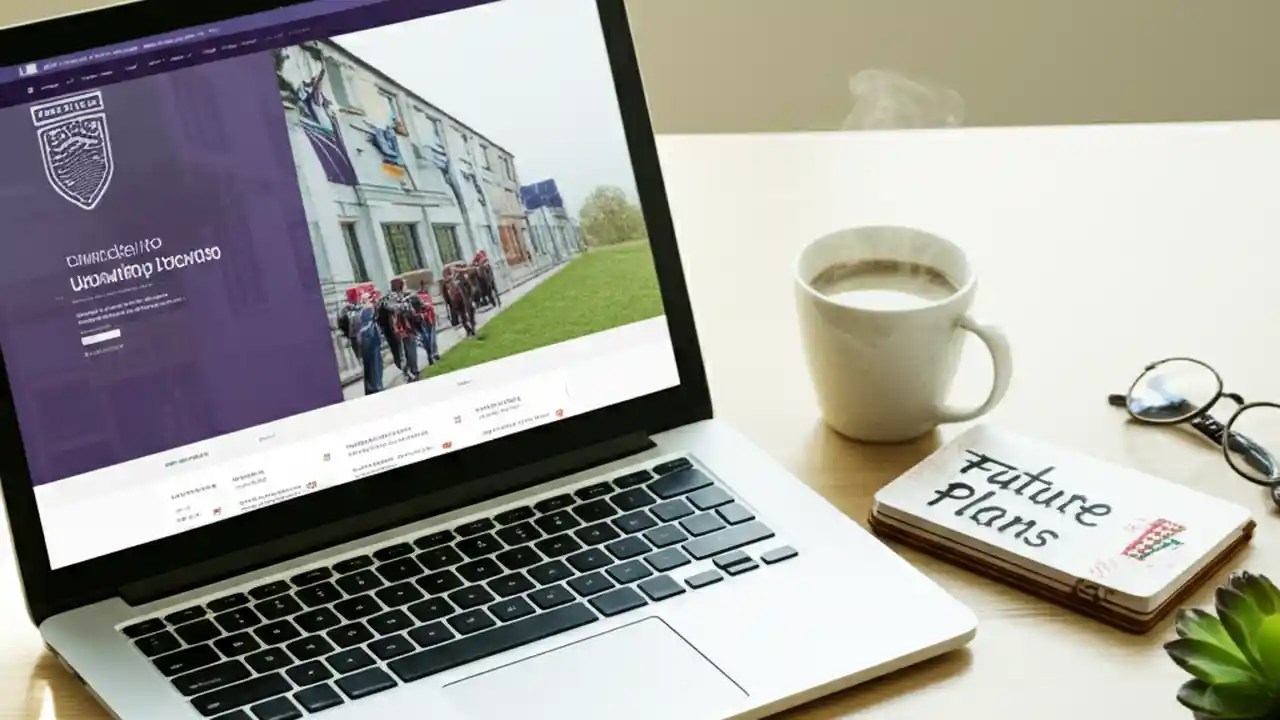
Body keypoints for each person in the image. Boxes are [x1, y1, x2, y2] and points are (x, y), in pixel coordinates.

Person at [387, 278, 420, 382]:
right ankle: (411, 372)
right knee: (406, 351)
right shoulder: (392, 298)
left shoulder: (403, 296)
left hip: (407, 327)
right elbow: (393, 309)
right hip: (401, 329)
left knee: (410, 349)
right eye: (404, 284)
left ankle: (413, 371)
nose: (405, 286)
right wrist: (406, 306)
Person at [355, 301, 383, 395]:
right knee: (375, 363)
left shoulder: (357, 312)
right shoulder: (367, 312)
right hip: (371, 339)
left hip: (364, 341)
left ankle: (370, 387)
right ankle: (377, 385)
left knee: (368, 365)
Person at [415, 282, 440, 365]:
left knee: (430, 337)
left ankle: (433, 353)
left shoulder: (425, 295)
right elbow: (428, 306)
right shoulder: (421, 296)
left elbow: (431, 306)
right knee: (430, 337)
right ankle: (433, 353)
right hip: (426, 318)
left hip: (428, 318)